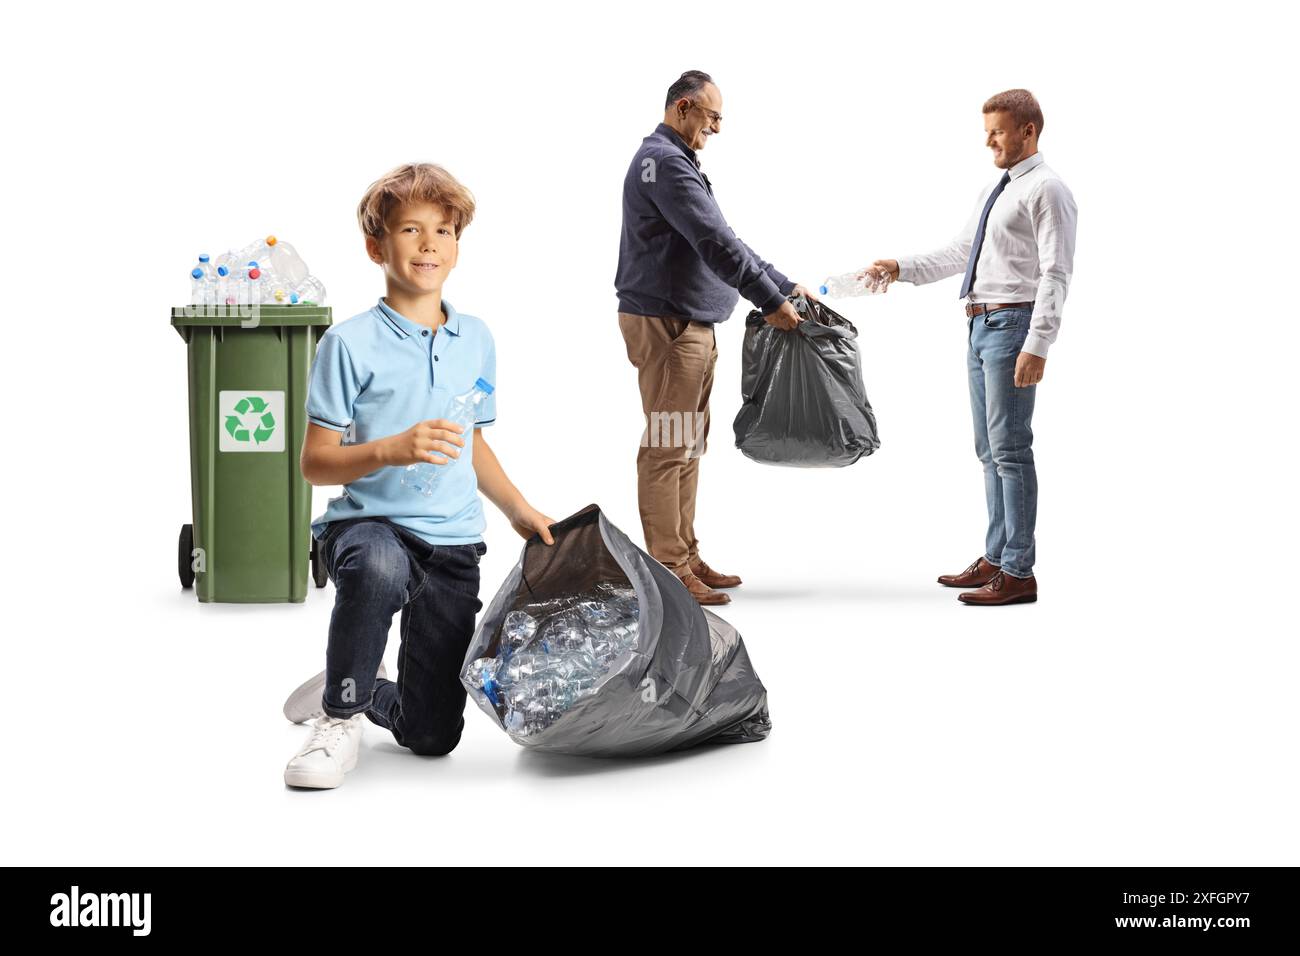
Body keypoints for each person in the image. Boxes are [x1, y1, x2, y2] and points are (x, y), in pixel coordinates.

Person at [282, 163, 556, 788]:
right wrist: (391, 449)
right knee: (377, 567)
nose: (429, 243)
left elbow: (471, 440)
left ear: (458, 245)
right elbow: (315, 462)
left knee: (433, 735)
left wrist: (519, 509)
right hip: (368, 526)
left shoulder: (477, 339)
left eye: (443, 229)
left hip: (453, 541)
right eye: (410, 228)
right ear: (377, 246)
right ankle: (338, 719)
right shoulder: (347, 345)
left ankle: (354, 680)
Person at [867, 89, 1077, 606]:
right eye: (987, 131)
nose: (989, 142)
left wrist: (1039, 343)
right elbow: (963, 252)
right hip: (981, 327)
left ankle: (1019, 571)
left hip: (1013, 327)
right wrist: (902, 268)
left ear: (1028, 130)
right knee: (989, 450)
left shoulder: (1047, 190)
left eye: (998, 131)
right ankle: (998, 555)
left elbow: (1056, 270)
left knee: (1010, 450)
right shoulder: (998, 189)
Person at [615, 69, 816, 605]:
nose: (717, 128)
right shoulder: (663, 164)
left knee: (688, 443)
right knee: (667, 443)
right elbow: (713, 242)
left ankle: (685, 552)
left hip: (691, 324)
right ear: (683, 108)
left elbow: (728, 238)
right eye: (713, 116)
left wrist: (782, 283)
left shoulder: (679, 165)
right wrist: (768, 301)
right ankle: (668, 568)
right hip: (669, 324)